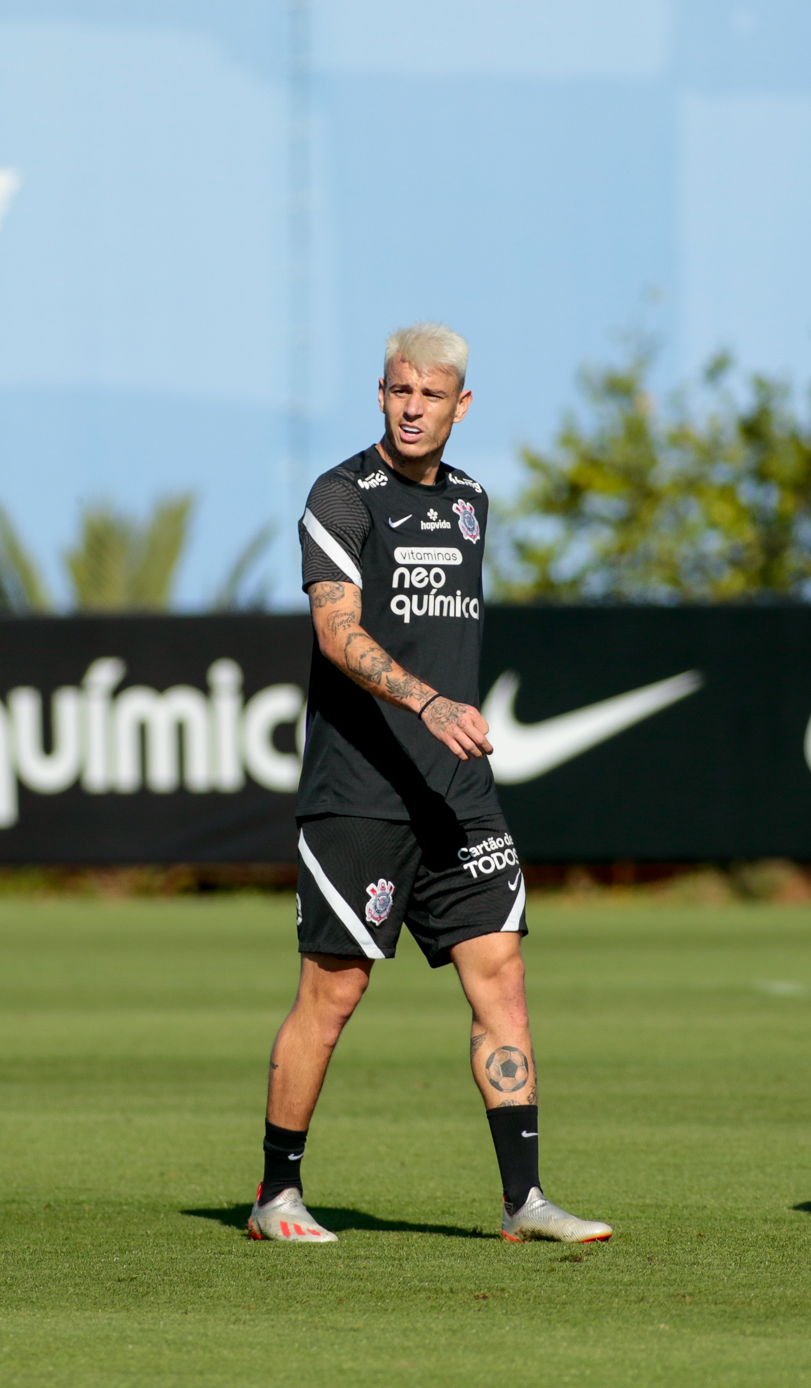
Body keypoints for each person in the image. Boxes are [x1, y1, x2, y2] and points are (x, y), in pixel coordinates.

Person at [246, 322, 611, 1245]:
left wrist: (446, 720)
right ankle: (276, 1195)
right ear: (381, 395)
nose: (413, 409)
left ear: (462, 404)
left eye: (432, 395)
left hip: (457, 795)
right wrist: (428, 701)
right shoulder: (340, 496)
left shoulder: (472, 501)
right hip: (358, 793)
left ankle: (525, 1201)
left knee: (503, 982)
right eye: (400, 391)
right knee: (332, 996)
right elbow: (338, 632)